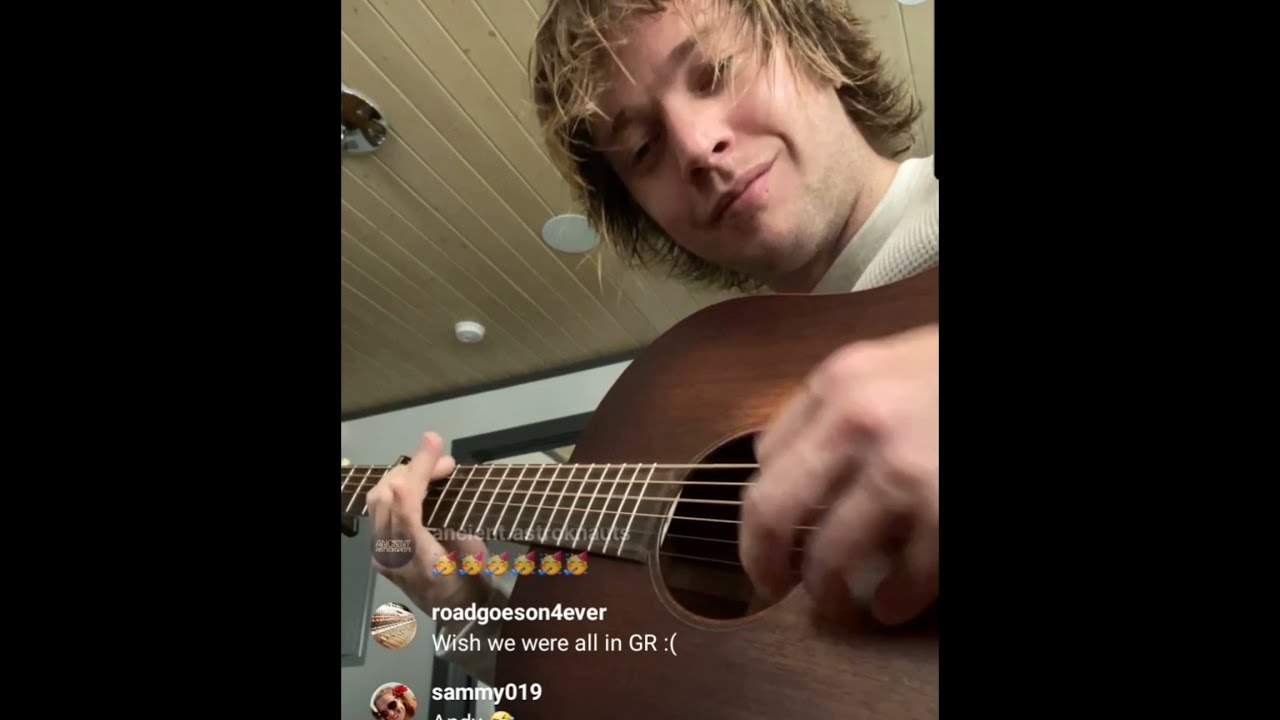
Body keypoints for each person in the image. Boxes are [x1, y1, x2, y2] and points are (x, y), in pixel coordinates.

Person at [362, 0, 938, 686]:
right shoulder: (721, 379)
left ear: (818, 47)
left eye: (717, 70)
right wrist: (458, 602)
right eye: (642, 149)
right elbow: (647, 685)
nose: (695, 146)